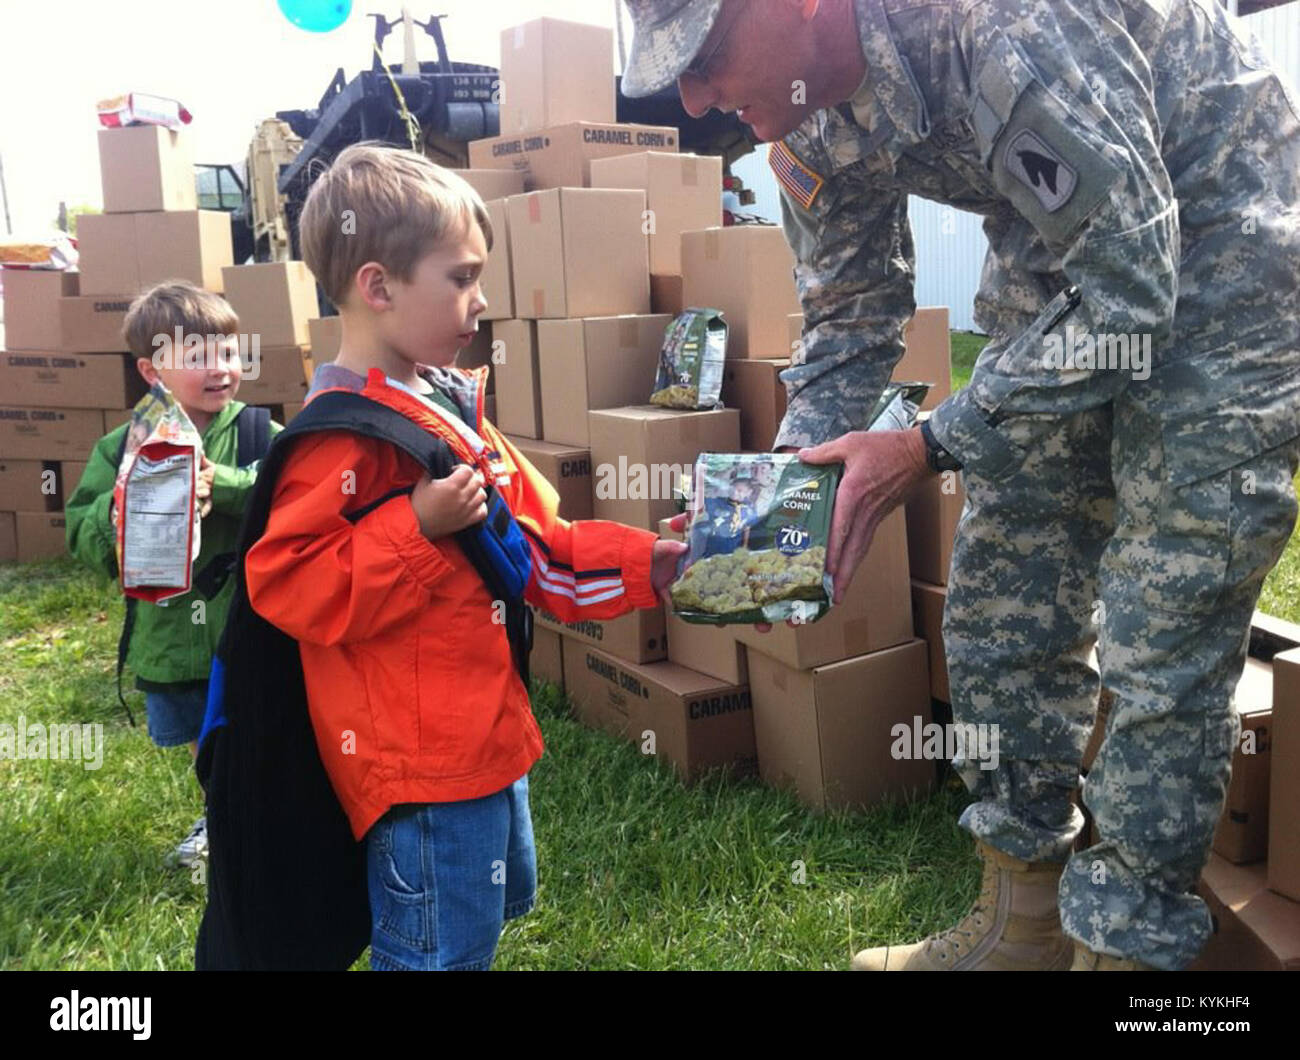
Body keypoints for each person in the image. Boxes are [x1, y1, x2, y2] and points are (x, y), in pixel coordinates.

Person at [623, 0, 1300, 970]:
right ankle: (1020, 924)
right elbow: (849, 319)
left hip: (1223, 240)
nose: (696, 97)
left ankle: (1125, 957)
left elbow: (1129, 296)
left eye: (709, 53)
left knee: (1166, 620)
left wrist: (930, 443)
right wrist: (777, 512)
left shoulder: (1009, 24)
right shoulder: (801, 110)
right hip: (1060, 245)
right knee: (1004, 592)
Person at [240, 143, 686, 971]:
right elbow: (288, 583)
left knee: (473, 930)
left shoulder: (447, 409)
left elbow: (534, 547)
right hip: (419, 772)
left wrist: (648, 561)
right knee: (435, 955)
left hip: (483, 740)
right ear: (378, 287)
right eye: (461, 279)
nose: (480, 304)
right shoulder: (344, 435)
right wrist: (413, 524)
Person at [65, 281, 282, 868]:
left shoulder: (261, 435)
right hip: (170, 637)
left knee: (255, 730)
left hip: (248, 627)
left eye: (230, 353)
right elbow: (78, 530)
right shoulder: (121, 445)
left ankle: (263, 818)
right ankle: (221, 815)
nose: (221, 369)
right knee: (202, 744)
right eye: (196, 358)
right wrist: (119, 512)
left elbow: (296, 497)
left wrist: (228, 485)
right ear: (152, 370)